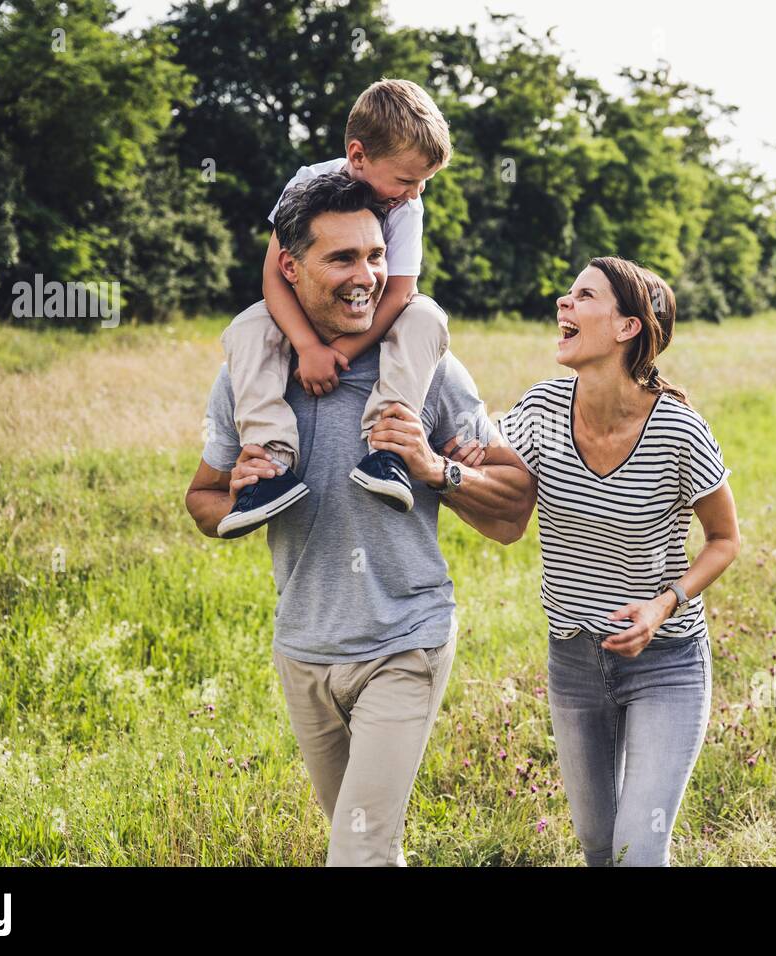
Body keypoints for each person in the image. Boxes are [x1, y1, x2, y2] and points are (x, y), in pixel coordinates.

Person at [184, 173, 534, 865]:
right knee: (369, 847)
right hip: (304, 649)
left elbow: (514, 509)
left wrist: (437, 470)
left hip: (406, 639)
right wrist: (242, 490)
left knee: (358, 852)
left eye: (376, 256)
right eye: (343, 259)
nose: (368, 276)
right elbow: (201, 499)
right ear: (290, 267)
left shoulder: (426, 367)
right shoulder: (252, 374)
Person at [488, 256, 742, 866]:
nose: (563, 304)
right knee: (600, 850)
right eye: (568, 294)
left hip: (666, 663)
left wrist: (662, 606)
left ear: (628, 327)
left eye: (583, 295)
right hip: (574, 661)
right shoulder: (544, 407)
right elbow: (485, 462)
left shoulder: (679, 429)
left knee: (636, 851)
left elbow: (725, 540)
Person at [216, 78, 459, 538]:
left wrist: (343, 351)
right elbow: (273, 276)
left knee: (426, 316)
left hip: (368, 317)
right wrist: (307, 346)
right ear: (358, 156)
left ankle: (385, 450)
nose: (415, 193)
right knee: (249, 327)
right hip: (309, 316)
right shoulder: (307, 184)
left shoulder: (407, 206)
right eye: (407, 180)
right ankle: (270, 467)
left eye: (425, 182)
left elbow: (401, 292)